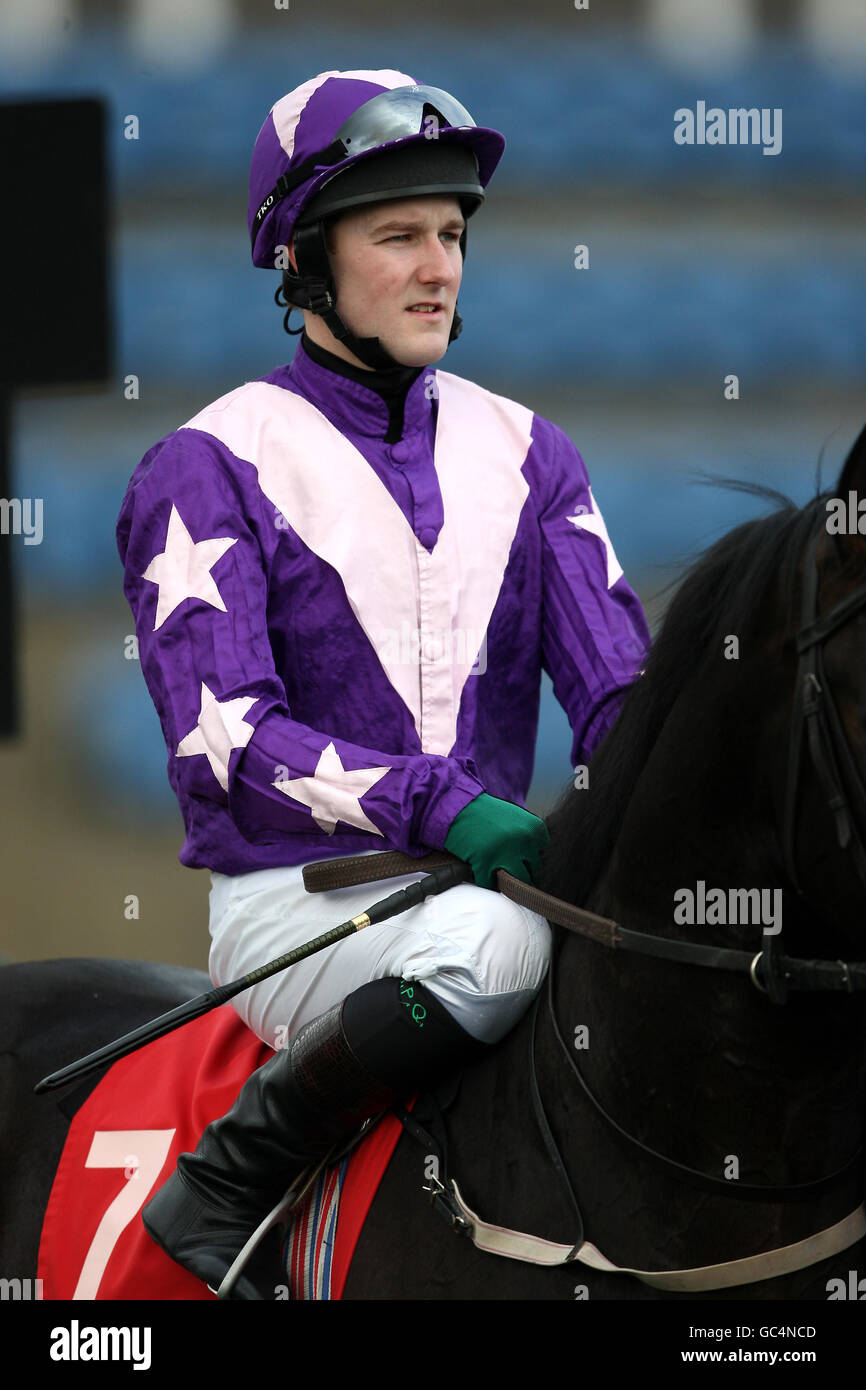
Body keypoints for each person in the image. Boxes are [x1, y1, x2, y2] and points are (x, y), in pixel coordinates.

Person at [116, 69, 650, 1298]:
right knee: (502, 945)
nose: (436, 266)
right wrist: (442, 806)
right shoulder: (204, 463)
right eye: (397, 235)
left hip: (478, 887)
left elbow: (622, 698)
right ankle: (225, 1183)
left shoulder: (530, 451)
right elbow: (226, 745)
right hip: (299, 903)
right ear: (303, 257)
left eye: (451, 236)